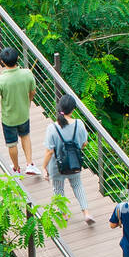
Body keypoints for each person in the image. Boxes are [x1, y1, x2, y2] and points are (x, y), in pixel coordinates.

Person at [0, 47, 40, 176]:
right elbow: (32, 92)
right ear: (18, 58)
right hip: (24, 114)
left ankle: (16, 168)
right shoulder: (27, 74)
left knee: (12, 143)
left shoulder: (0, 80)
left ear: (2, 62)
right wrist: (28, 102)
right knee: (25, 136)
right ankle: (30, 164)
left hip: (8, 118)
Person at [40, 95, 93, 224]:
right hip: (74, 162)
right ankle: (86, 213)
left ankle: (64, 214)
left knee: (58, 189)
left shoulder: (52, 128)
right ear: (73, 109)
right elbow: (84, 143)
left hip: (57, 166)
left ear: (59, 108)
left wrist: (43, 167)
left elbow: (49, 151)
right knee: (77, 185)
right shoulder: (79, 124)